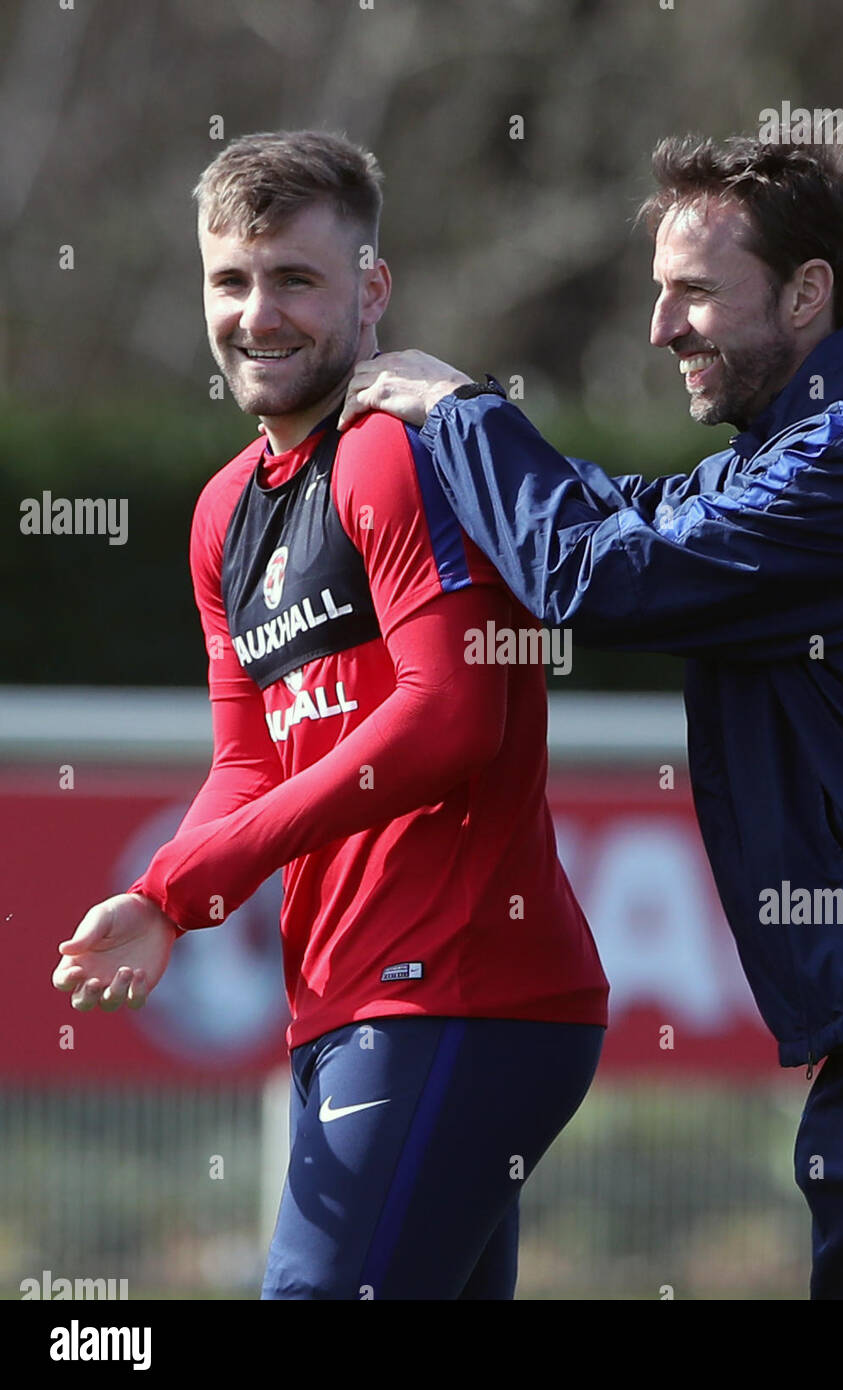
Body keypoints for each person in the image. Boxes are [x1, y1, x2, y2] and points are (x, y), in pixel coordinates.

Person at [340, 135, 843, 1301]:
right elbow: (611, 511)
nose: (661, 327)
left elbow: (598, 574)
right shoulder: (798, 448)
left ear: (807, 292)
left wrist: (460, 412)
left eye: (695, 292)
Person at [51, 129, 608, 1301]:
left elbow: (451, 717)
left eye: (295, 279)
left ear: (371, 287)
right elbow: (245, 763)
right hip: (350, 1001)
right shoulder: (221, 512)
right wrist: (159, 893)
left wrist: (185, 887)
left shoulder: (393, 456)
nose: (257, 315)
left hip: (455, 989)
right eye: (230, 280)